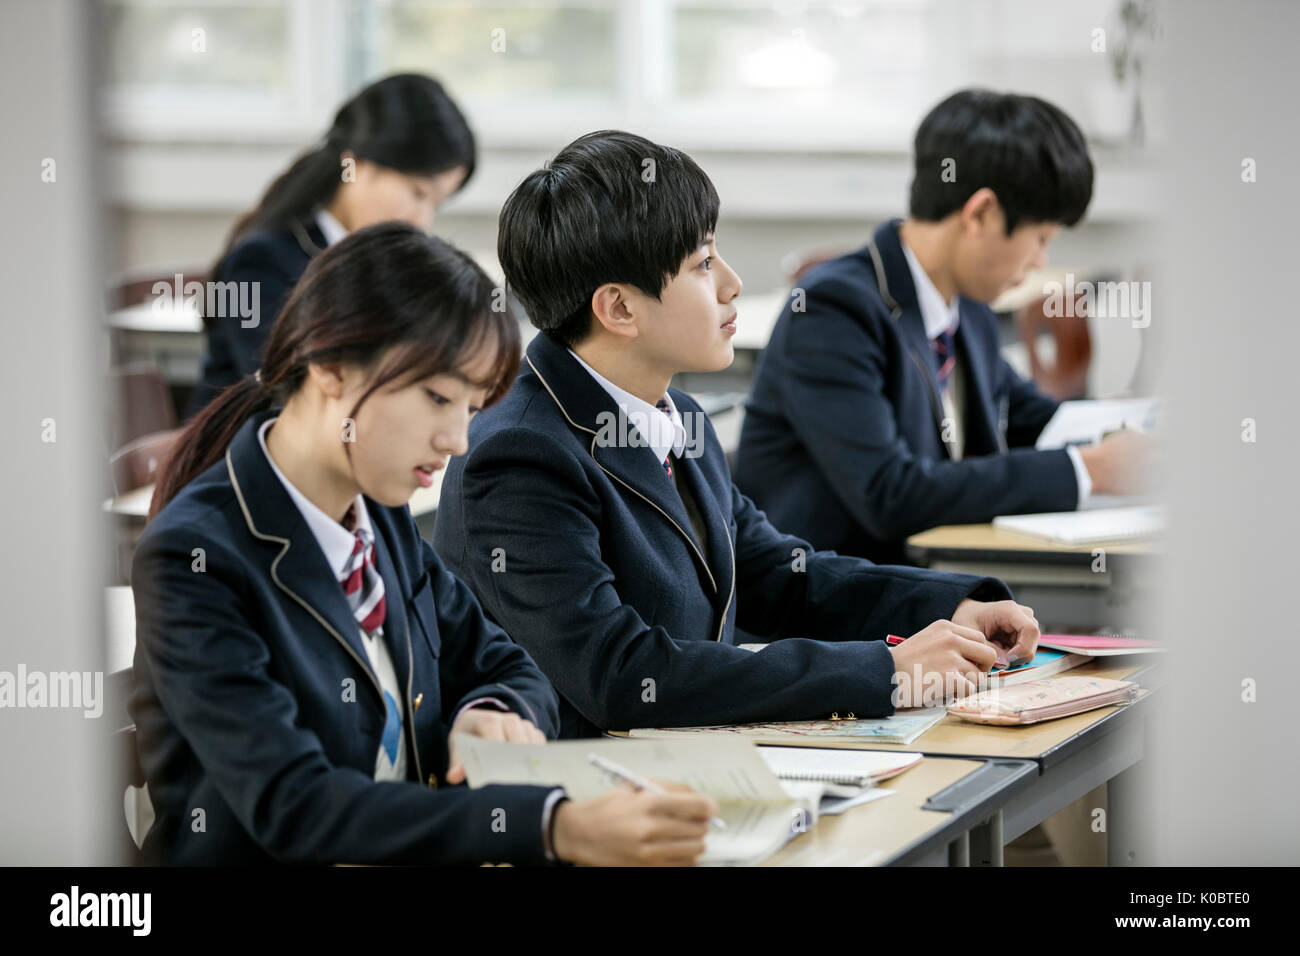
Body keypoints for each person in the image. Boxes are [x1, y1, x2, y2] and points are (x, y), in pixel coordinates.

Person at [132, 223, 716, 865]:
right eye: (438, 398)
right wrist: (552, 826)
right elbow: (295, 805)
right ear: (331, 367)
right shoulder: (195, 560)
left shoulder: (374, 517)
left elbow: (509, 664)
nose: (456, 441)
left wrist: (490, 711)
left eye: (469, 408)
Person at [433, 130, 1041, 740]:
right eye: (702, 264)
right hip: (587, 794)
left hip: (689, 760)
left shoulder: (678, 414)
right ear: (618, 309)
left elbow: (774, 572)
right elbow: (622, 674)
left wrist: (950, 607)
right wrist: (884, 669)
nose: (732, 283)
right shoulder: (519, 455)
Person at [733, 89, 1152, 563]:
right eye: (1040, 238)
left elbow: (1033, 419)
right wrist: (1086, 470)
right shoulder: (834, 310)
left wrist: (1134, 429)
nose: (1041, 261)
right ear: (981, 214)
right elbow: (890, 494)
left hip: (931, 594)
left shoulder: (966, 307)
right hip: (831, 614)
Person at [186, 73, 476, 417]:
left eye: (436, 205)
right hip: (242, 460)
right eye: (417, 192)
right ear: (359, 165)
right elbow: (286, 393)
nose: (423, 220)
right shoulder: (260, 260)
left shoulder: (382, 264)